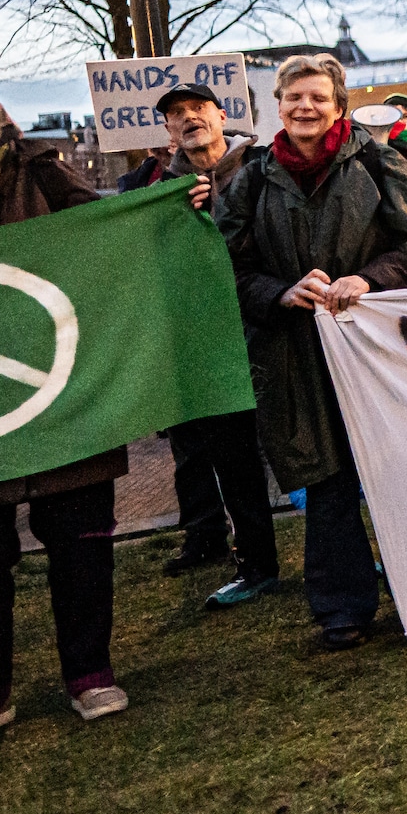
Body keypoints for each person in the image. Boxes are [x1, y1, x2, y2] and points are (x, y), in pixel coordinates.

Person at [215, 54, 407, 650]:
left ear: (339, 105)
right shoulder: (252, 177)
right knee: (326, 475)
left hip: (376, 345)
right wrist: (278, 292)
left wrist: (371, 278)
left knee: (403, 468)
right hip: (294, 349)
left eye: (318, 97)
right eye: (294, 98)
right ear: (279, 105)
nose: (305, 108)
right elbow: (225, 266)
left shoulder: (375, 162)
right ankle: (342, 608)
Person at [0, 90, 131, 729]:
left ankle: (89, 673)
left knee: (80, 546)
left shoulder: (42, 170)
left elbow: (109, 231)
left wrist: (169, 207)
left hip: (64, 397)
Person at [115, 83, 280, 606]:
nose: (189, 119)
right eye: (176, 115)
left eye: (198, 109)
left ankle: (342, 551)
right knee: (233, 455)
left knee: (306, 440)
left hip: (272, 320)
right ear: (166, 129)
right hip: (209, 334)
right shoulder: (158, 187)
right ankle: (256, 565)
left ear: (221, 114)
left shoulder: (262, 162)